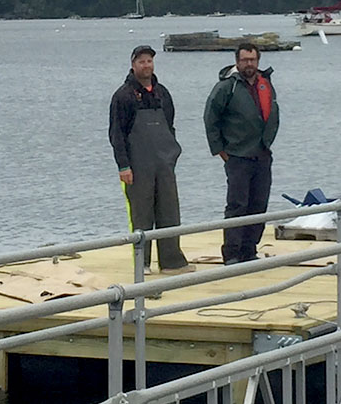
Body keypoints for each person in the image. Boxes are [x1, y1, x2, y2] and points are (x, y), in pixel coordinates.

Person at [108, 45, 194, 275]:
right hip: (137, 166)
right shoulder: (123, 96)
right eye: (141, 61)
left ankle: (172, 262)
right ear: (133, 65)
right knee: (141, 215)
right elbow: (116, 134)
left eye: (149, 61)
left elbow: (170, 125)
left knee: (169, 212)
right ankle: (142, 263)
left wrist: (172, 155)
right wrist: (123, 165)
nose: (146, 65)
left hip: (164, 163)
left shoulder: (162, 93)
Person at [203, 42, 279, 265]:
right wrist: (219, 149)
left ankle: (249, 249)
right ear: (237, 62)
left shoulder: (265, 84)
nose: (249, 64)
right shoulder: (227, 86)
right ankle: (232, 253)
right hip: (237, 155)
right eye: (245, 60)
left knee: (259, 204)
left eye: (252, 60)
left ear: (258, 61)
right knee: (237, 205)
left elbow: (273, 114)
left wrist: (268, 142)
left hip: (262, 154)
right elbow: (210, 117)